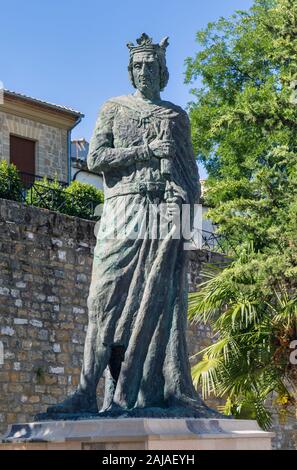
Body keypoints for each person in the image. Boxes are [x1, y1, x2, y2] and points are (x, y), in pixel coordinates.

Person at [46, 33, 217, 418]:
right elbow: (97, 157)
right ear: (130, 71)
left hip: (162, 217)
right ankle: (86, 391)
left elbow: (190, 176)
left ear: (163, 71)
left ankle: (145, 392)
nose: (144, 72)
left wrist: (184, 228)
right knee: (101, 299)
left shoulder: (176, 117)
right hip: (122, 211)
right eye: (138, 66)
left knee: (162, 304)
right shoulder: (114, 108)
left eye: (151, 66)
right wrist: (145, 151)